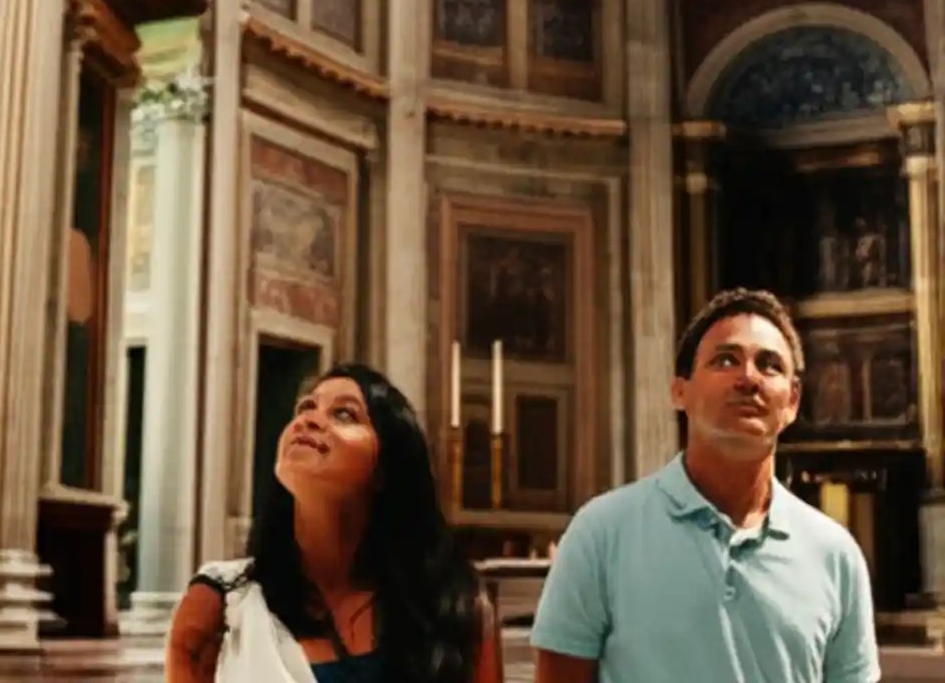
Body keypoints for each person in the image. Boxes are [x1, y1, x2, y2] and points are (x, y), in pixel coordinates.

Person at [531, 288, 879, 683]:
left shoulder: (835, 556)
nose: (748, 378)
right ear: (680, 390)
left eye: (769, 365)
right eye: (726, 360)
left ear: (793, 401)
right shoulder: (602, 532)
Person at [166, 363, 502, 683]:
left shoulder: (452, 608)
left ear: (386, 467)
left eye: (344, 413)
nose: (309, 420)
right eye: (305, 408)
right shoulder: (220, 604)